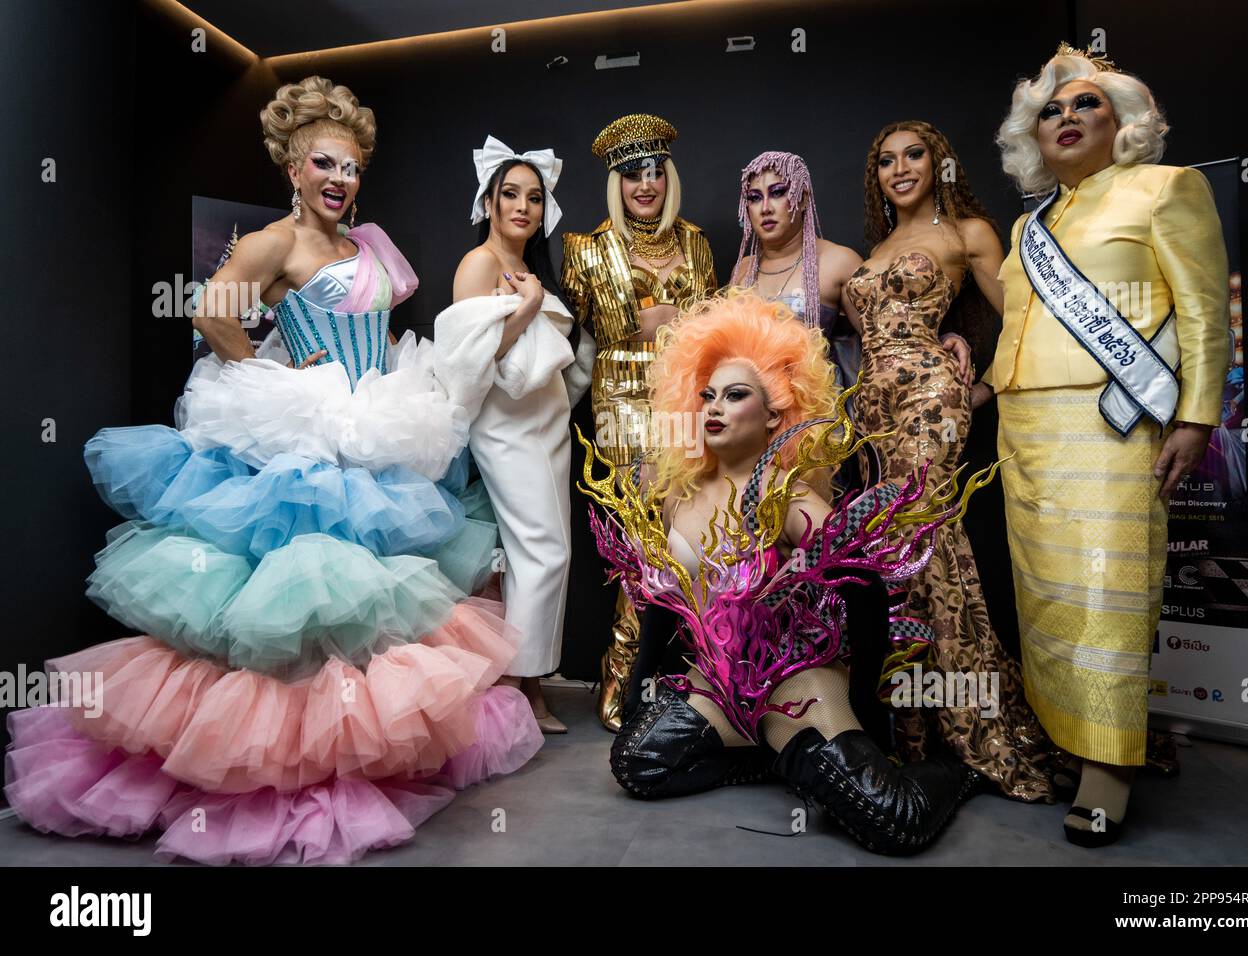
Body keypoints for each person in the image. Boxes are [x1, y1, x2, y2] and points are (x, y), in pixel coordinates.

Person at [3, 77, 543, 865]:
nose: (339, 179)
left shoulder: (368, 246)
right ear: (293, 168)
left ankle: (354, 751)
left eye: (352, 168)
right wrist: (270, 369)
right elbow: (211, 309)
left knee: (365, 600)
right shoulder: (274, 244)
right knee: (295, 594)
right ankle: (268, 761)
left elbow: (376, 323)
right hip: (309, 436)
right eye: (323, 163)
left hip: (375, 422)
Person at [580, 293, 993, 853]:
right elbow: (661, 598)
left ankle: (956, 772)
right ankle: (780, 762)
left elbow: (865, 583)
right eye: (707, 396)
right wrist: (635, 697)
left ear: (775, 414)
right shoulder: (680, 496)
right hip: (718, 686)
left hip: (792, 685)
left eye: (735, 394)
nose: (714, 408)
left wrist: (867, 707)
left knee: (895, 820)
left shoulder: (787, 495)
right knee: (637, 762)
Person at [976, 44, 1230, 845]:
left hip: (1111, 424)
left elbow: (1203, 312)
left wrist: (1196, 416)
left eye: (1085, 104)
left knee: (1106, 601)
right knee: (1048, 597)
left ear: (1121, 121)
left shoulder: (1164, 188)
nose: (1066, 117)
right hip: (1026, 429)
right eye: (1050, 109)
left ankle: (1108, 770)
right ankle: (1068, 740)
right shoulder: (1029, 224)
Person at [843, 120, 1062, 802]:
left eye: (915, 155)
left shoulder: (968, 231)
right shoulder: (876, 245)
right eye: (886, 160)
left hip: (931, 403)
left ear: (940, 164)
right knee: (895, 564)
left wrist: (983, 384)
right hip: (870, 416)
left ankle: (986, 729)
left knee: (932, 547)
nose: (900, 168)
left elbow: (1026, 318)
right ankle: (915, 732)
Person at [561, 113, 717, 731]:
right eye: (631, 175)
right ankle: (624, 673)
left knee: (687, 534)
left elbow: (713, 325)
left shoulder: (697, 243)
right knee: (640, 533)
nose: (645, 185)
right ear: (615, 184)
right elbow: (580, 334)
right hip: (622, 402)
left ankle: (685, 675)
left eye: (654, 172)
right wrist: (635, 330)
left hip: (685, 398)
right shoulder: (586, 249)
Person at [434, 136, 591, 735]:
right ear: (490, 203)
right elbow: (465, 364)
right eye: (510, 195)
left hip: (548, 425)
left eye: (533, 196)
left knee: (547, 555)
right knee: (542, 552)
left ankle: (531, 684)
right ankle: (516, 691)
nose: (522, 206)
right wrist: (525, 312)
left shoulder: (530, 269)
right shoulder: (479, 264)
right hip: (506, 429)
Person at [728, 149, 973, 492]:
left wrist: (942, 336)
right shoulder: (742, 271)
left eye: (779, 192)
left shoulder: (838, 261)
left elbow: (880, 332)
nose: (766, 207)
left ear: (802, 197)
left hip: (815, 426)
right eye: (754, 197)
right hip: (750, 423)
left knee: (812, 523)